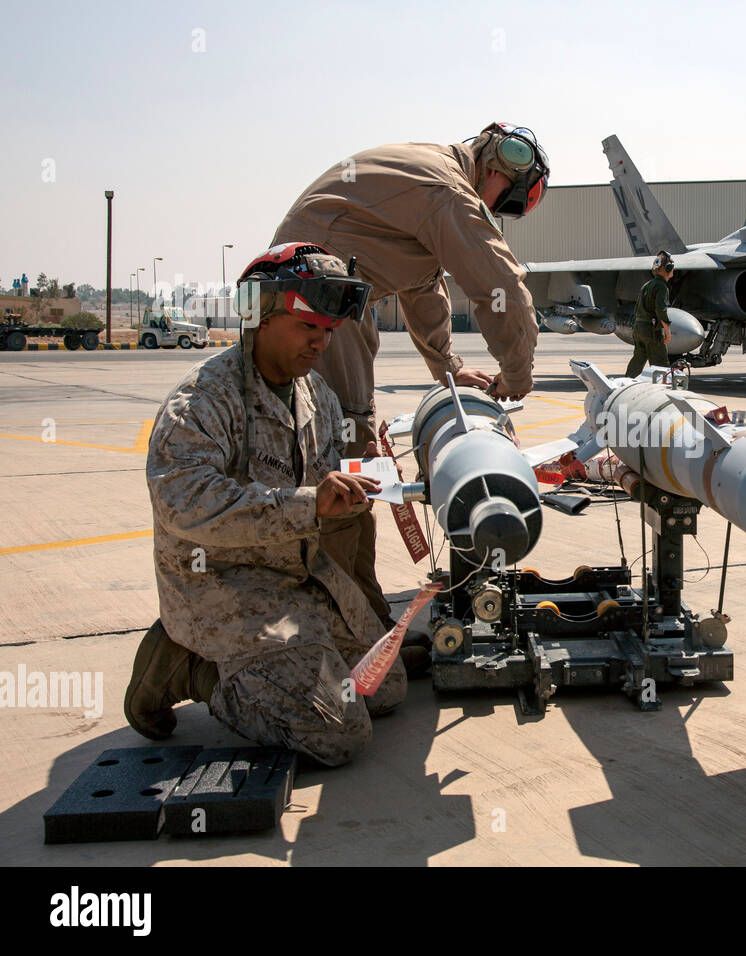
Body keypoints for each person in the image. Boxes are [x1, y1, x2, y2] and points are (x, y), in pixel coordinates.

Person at [124, 243, 406, 767]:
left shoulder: (314, 394)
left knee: (384, 689)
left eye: (327, 331)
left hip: (297, 577)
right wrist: (308, 506)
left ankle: (276, 658)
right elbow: (185, 506)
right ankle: (189, 664)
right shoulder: (203, 401)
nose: (321, 342)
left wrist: (355, 477)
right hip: (221, 583)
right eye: (308, 328)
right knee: (337, 733)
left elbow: (316, 477)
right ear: (258, 316)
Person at [272, 122, 548, 623]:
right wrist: (517, 374)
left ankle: (351, 609)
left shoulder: (425, 179)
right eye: (502, 200)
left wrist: (449, 369)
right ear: (498, 166)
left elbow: (422, 286)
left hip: (312, 303)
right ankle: (346, 624)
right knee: (346, 461)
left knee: (340, 454)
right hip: (319, 307)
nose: (494, 215)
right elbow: (501, 286)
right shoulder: (447, 190)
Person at [624, 251, 674, 378]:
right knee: (661, 364)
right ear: (667, 268)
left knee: (638, 360)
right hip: (651, 331)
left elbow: (637, 308)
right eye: (671, 266)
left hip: (639, 328)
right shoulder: (661, 286)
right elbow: (660, 310)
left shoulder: (647, 285)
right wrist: (667, 331)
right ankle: (663, 391)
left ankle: (626, 384)